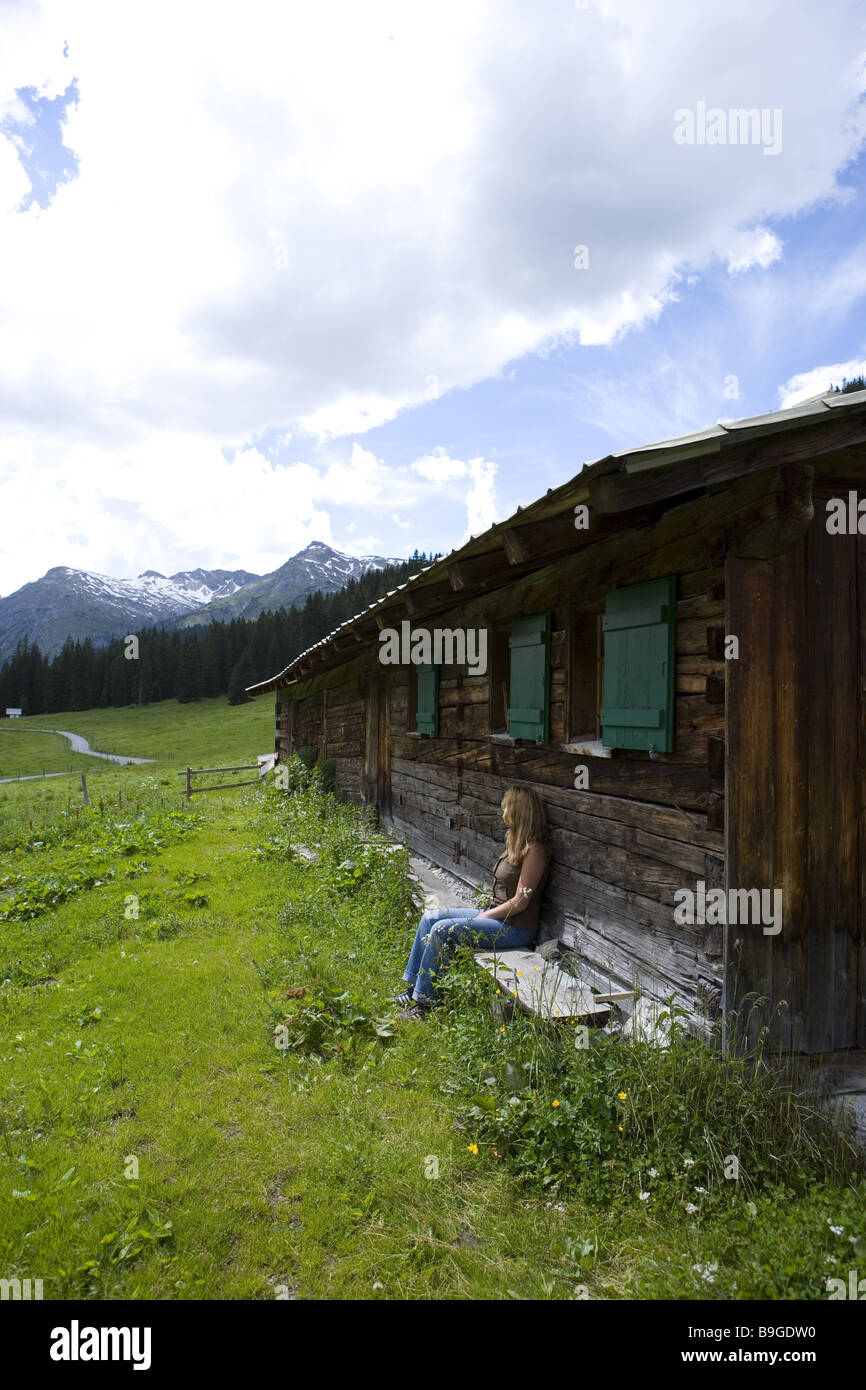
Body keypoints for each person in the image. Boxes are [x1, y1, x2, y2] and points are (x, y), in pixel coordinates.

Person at [393, 785, 550, 1020]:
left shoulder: (535, 850)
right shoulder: (515, 841)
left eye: (506, 806)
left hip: (515, 928)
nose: (503, 811)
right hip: (497, 917)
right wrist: (486, 914)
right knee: (430, 918)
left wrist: (484, 916)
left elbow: (520, 902)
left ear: (519, 811)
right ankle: (414, 986)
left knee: (443, 930)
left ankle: (425, 1002)